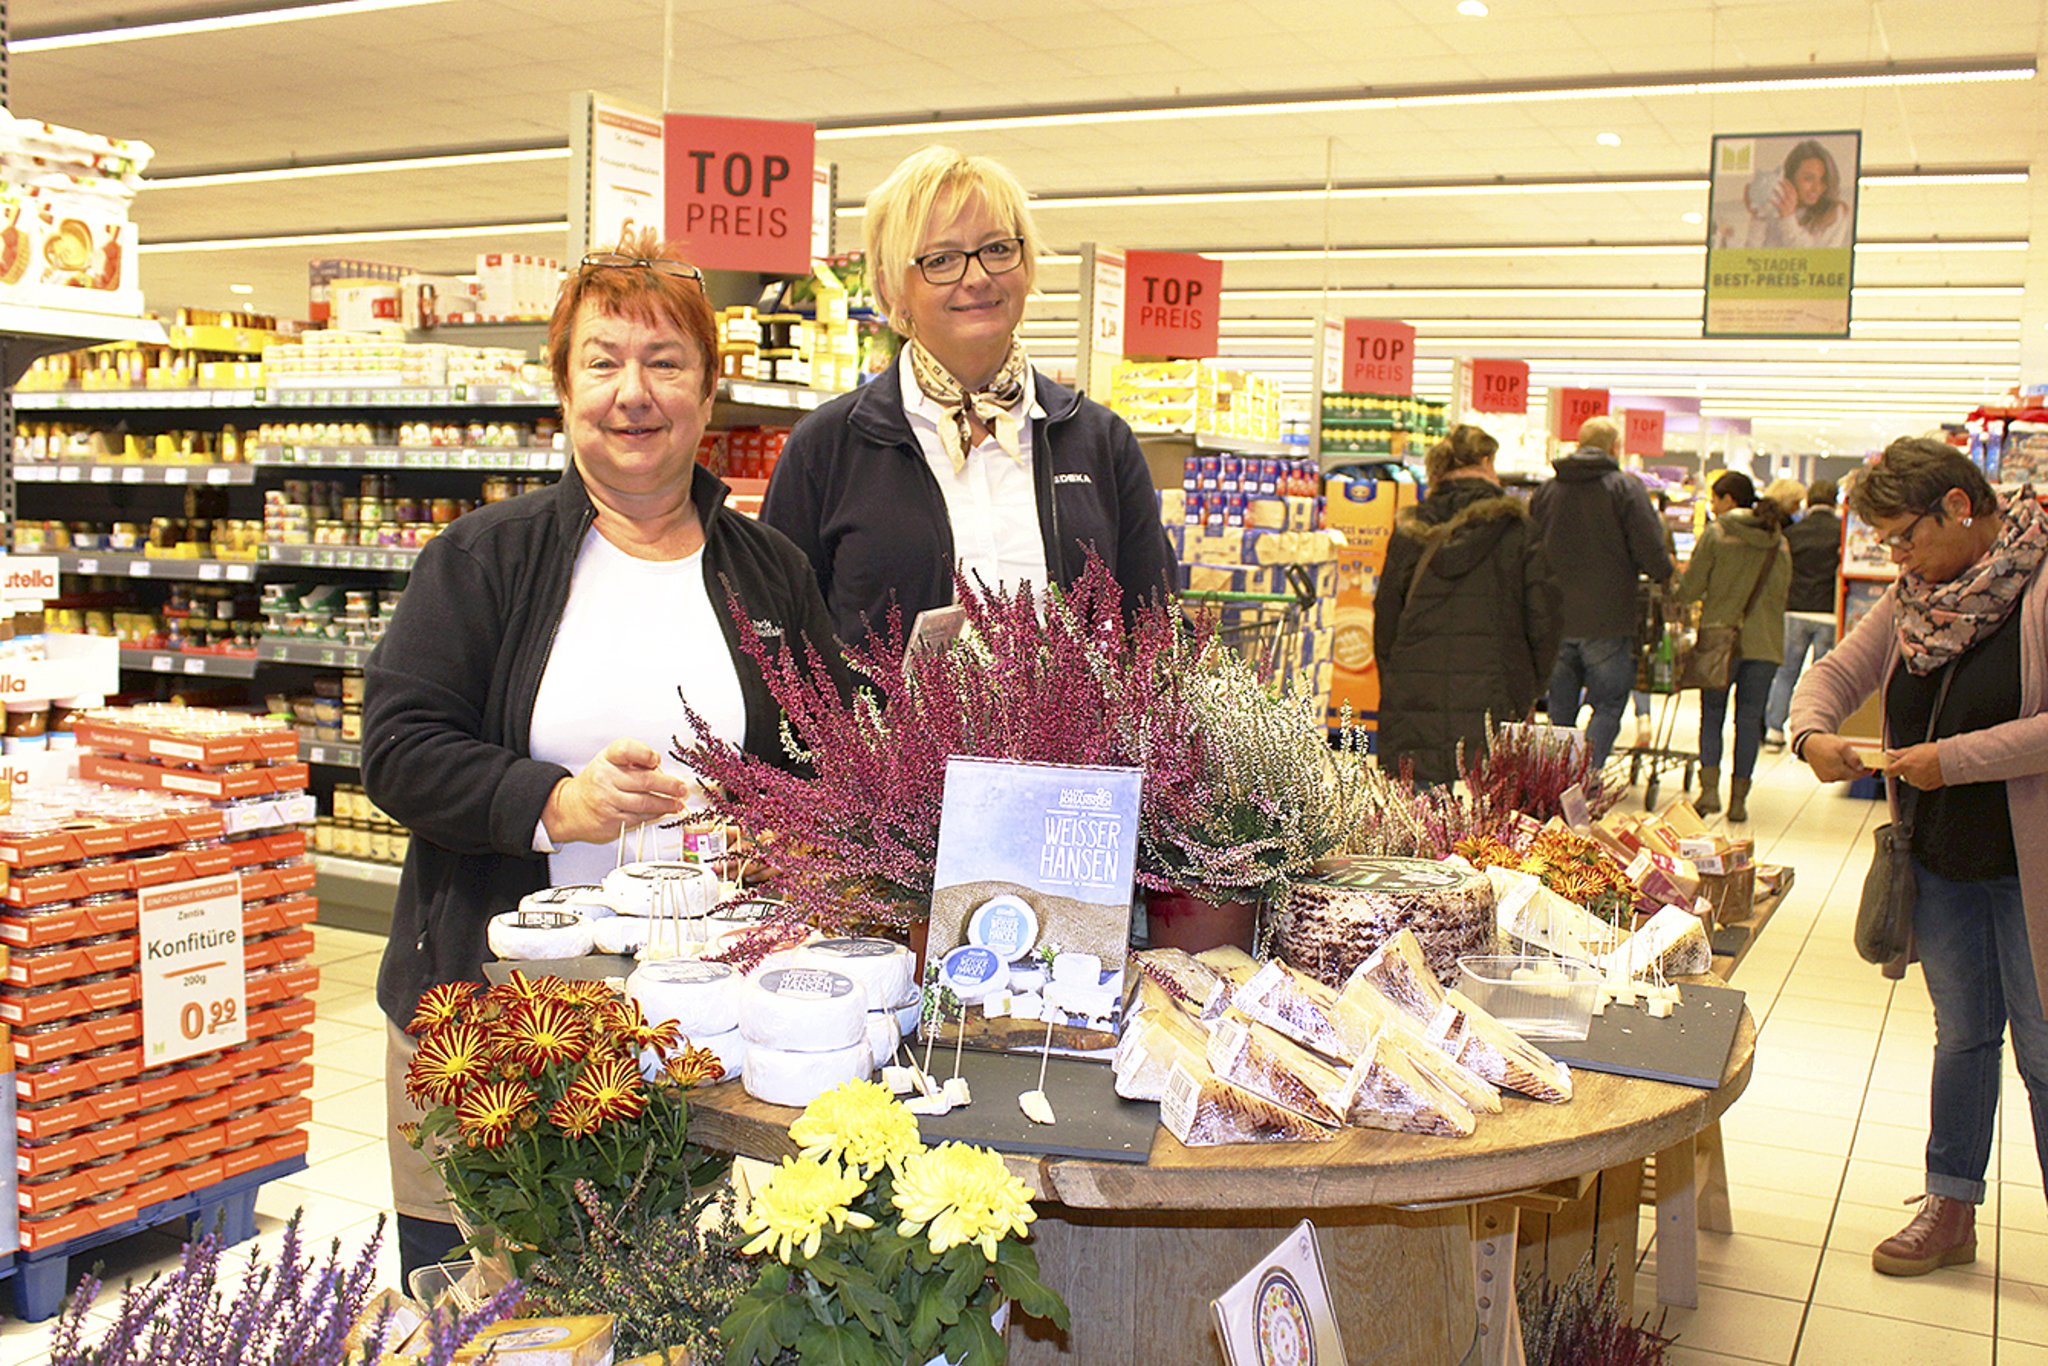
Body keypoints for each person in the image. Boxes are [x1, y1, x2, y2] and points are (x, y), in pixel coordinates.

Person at [361, 234, 844, 1278]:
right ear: (563, 387)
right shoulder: (482, 559)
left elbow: (831, 757)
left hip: (691, 1037)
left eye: (665, 362)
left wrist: (786, 824)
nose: (634, 392)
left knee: (666, 1303)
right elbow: (398, 749)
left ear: (710, 391)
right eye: (603, 360)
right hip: (489, 1037)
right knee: (484, 1303)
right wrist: (555, 802)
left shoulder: (771, 572)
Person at [1788, 438, 2048, 1279]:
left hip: (2031, 864)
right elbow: (1834, 673)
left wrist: (1955, 758)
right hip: (1940, 859)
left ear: (1959, 509)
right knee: (1964, 1036)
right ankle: (1950, 1206)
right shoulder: (1913, 600)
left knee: (2044, 1047)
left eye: (1905, 536)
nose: (1896, 557)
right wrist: (1811, 733)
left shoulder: (2039, 586)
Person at [761, 146, 1174, 645]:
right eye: (942, 259)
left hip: (1070, 725)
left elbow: (1155, 628)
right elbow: (779, 640)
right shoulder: (827, 447)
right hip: (884, 726)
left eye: (998, 249)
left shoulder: (1099, 442)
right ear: (892, 287)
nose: (977, 277)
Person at [1373, 425, 1561, 786]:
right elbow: (1545, 620)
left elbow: (1386, 620)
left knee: (1418, 821)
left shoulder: (1411, 531)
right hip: (1496, 692)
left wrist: (1398, 678)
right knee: (1488, 827)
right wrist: (1528, 688)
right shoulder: (1518, 531)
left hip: (1415, 693)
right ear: (1487, 461)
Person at [1530, 415, 1674, 768]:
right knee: (1608, 704)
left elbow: (1529, 547)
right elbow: (1648, 545)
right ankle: (1586, 777)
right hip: (1608, 618)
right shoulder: (1624, 488)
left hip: (1555, 617)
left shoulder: (1547, 490)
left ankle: (1557, 780)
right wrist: (1664, 574)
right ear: (1615, 449)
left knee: (1560, 709)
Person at [1676, 470, 1790, 821]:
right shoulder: (1778, 539)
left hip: (1718, 638)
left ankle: (1708, 792)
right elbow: (1784, 589)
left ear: (1728, 500)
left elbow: (1691, 589)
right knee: (1749, 718)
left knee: (1712, 715)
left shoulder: (1717, 533)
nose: (1712, 506)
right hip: (1765, 643)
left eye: (1714, 499)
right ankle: (1739, 800)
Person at [1765, 477, 1844, 749]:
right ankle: (1815, 731)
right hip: (1829, 611)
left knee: (1786, 672)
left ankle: (1774, 730)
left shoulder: (1793, 533)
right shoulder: (1842, 532)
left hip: (1794, 609)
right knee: (1822, 676)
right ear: (1835, 500)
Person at [1745, 138, 1852, 249]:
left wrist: (1788, 219)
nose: (1816, 188)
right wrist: (1758, 217)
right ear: (1791, 178)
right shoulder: (1774, 208)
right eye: (1808, 179)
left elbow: (1810, 258)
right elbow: (1751, 255)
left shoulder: (1835, 213)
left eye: (1823, 180)